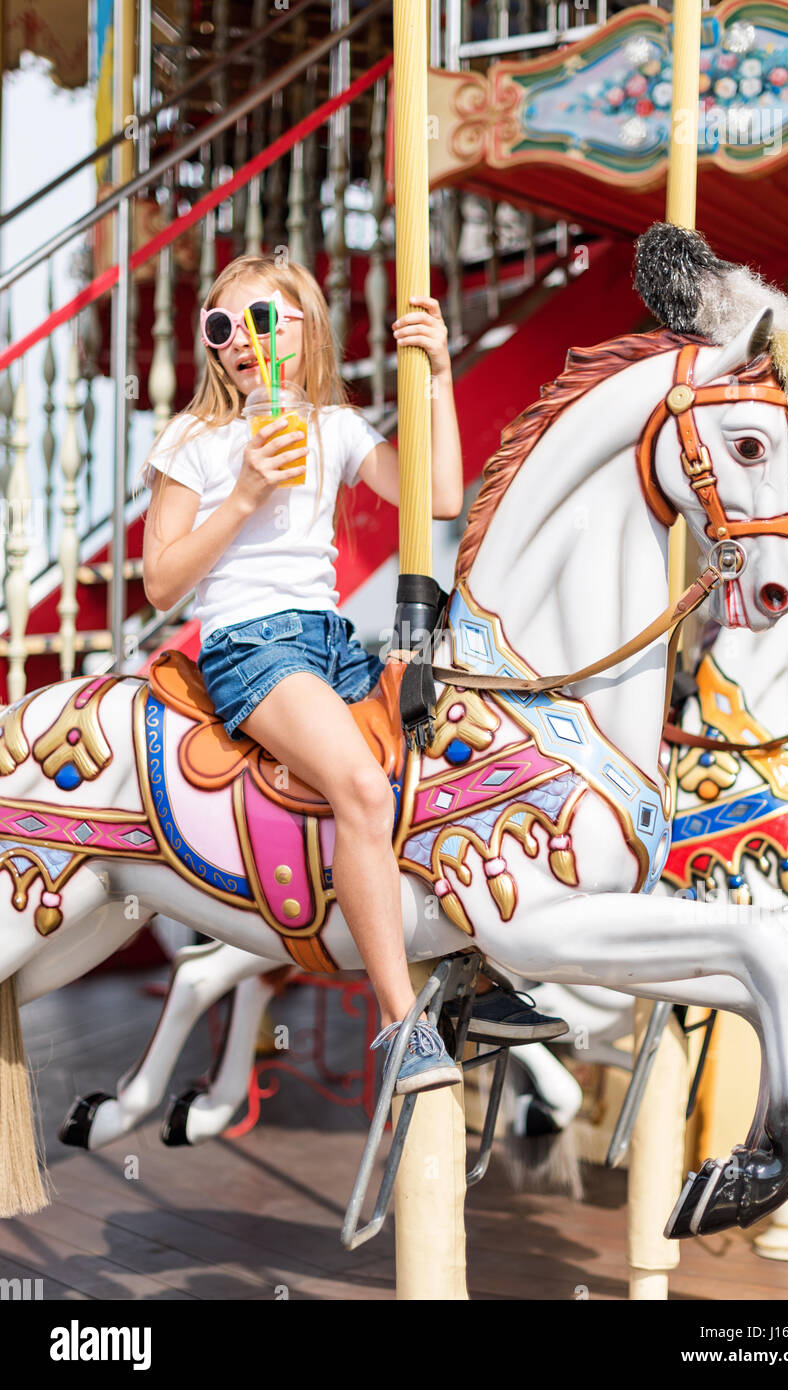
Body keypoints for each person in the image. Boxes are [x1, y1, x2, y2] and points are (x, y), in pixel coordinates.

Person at [142, 255, 564, 1095]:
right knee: (366, 790)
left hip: (331, 641)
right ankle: (401, 1026)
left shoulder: (334, 426)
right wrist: (242, 496)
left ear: (305, 328)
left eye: (263, 321)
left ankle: (469, 967)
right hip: (251, 645)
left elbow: (436, 497)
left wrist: (437, 374)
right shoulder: (195, 439)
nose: (241, 341)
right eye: (221, 328)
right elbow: (159, 582)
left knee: (447, 771)